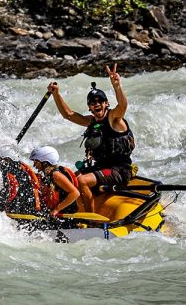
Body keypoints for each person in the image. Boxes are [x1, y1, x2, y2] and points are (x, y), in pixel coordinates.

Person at [47, 64, 135, 213]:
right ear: (90, 108)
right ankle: (65, 210)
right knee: (70, 179)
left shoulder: (114, 119)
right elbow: (68, 114)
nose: (97, 104)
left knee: (82, 181)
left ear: (106, 103)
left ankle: (90, 219)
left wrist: (117, 86)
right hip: (101, 168)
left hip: (119, 170)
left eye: (100, 101)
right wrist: (56, 94)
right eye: (93, 103)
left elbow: (122, 106)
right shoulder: (91, 121)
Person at [28, 146, 80, 217]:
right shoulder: (47, 173)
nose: (34, 165)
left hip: (65, 213)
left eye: (36, 162)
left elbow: (75, 193)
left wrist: (56, 210)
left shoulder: (56, 175)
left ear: (45, 162)